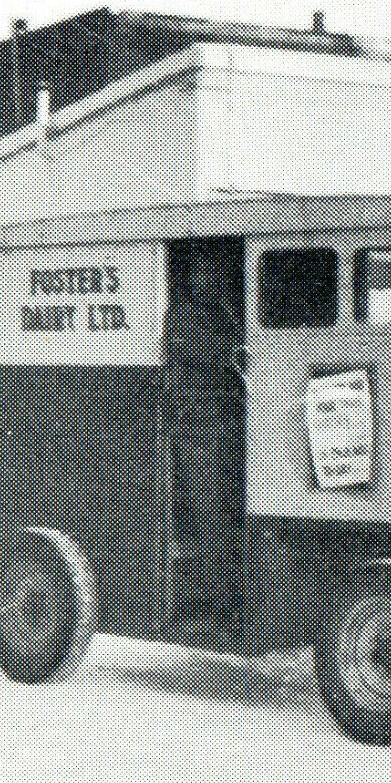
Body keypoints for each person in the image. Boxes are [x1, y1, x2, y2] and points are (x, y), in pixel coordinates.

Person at [165, 251, 243, 624]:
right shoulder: (181, 313)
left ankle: (232, 596)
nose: (211, 277)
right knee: (211, 514)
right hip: (194, 427)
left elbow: (233, 350)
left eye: (216, 271)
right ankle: (226, 604)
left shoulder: (223, 311)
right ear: (195, 275)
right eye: (206, 271)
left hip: (225, 422)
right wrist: (233, 352)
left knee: (228, 514)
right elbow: (205, 352)